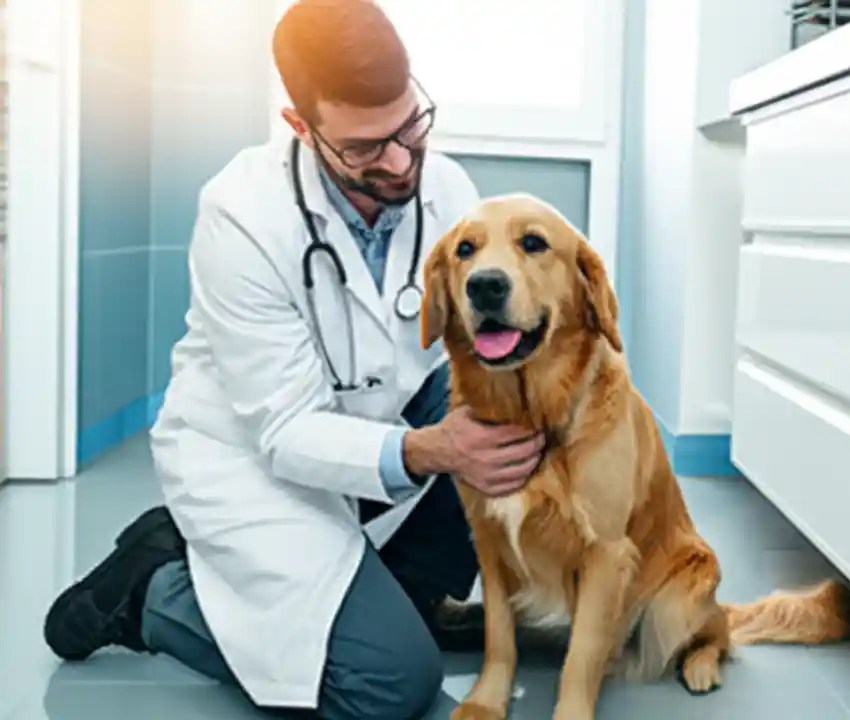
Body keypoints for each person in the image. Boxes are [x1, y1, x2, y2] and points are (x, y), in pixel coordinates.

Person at [41, 2, 546, 718]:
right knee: (388, 686)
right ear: (301, 127)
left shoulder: (449, 191)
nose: (401, 162)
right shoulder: (242, 216)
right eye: (367, 148)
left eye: (410, 126)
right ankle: (153, 591)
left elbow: (467, 350)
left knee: (508, 413)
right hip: (251, 461)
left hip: (379, 427)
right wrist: (432, 448)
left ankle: (404, 599)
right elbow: (284, 431)